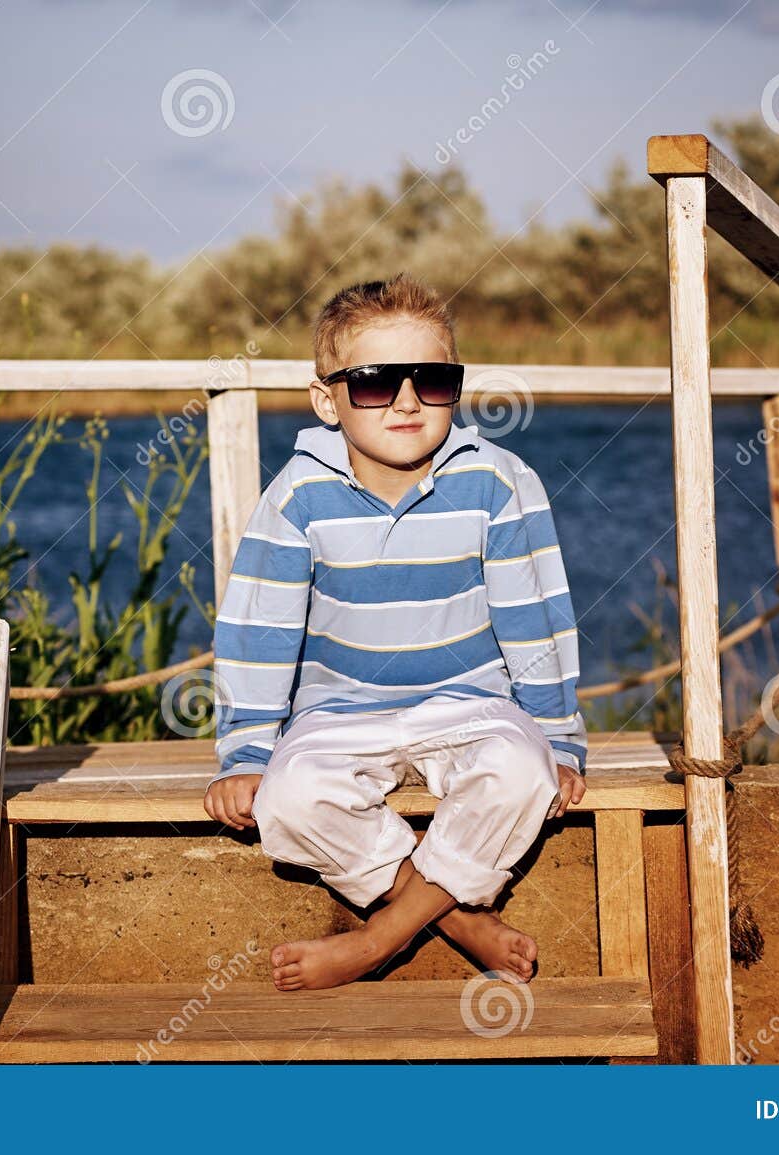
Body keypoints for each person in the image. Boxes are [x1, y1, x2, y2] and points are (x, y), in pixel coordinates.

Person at [206, 273, 587, 991]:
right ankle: (457, 919)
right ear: (328, 398)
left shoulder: (497, 483)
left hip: (471, 704)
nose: (408, 400)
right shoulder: (296, 497)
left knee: (521, 771)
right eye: (377, 382)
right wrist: (247, 752)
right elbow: (259, 630)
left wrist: (558, 739)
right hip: (340, 713)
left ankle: (380, 937)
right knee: (288, 796)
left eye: (433, 380)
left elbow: (537, 623)